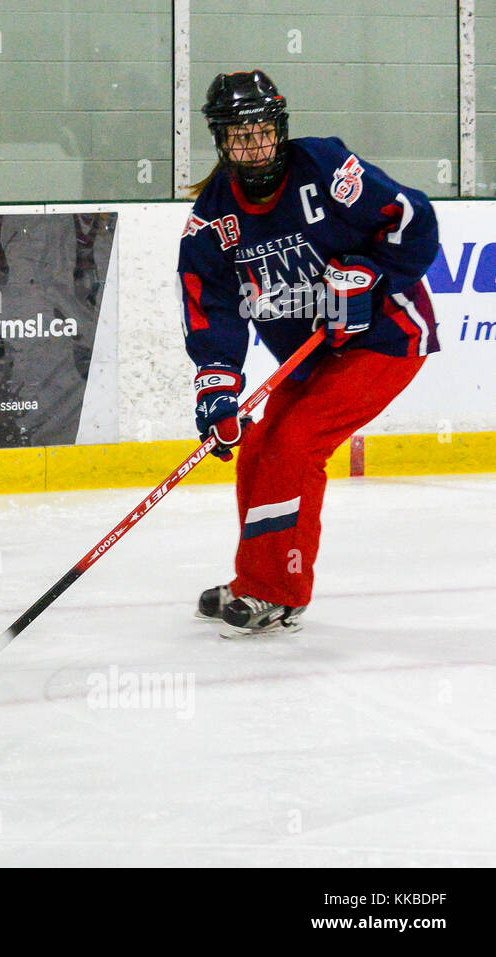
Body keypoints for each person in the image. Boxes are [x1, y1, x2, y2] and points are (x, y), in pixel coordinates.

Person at [178, 70, 439, 637]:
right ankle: (255, 577)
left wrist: (371, 274)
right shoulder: (212, 220)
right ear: (221, 141)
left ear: (280, 127)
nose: (254, 144)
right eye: (239, 135)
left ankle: (278, 592)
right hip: (313, 355)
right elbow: (213, 307)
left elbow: (414, 222)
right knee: (259, 448)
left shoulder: (324, 169)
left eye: (263, 130)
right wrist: (217, 391)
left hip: (387, 339)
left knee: (295, 446)